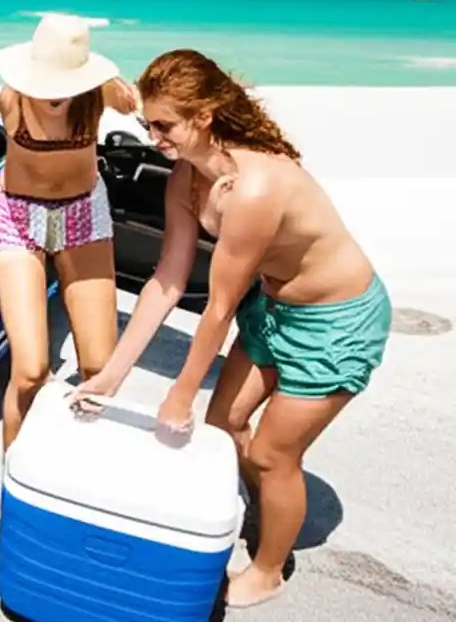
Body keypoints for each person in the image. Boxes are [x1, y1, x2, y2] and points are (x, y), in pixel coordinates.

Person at [70, 49, 393, 609]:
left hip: (336, 323)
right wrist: (112, 376)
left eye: (164, 124)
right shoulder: (186, 179)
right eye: (147, 123)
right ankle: (264, 506)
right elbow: (166, 282)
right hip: (274, 311)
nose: (153, 134)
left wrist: (179, 395)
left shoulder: (256, 189)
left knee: (271, 454)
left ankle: (270, 567)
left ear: (205, 116)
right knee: (225, 425)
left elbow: (217, 309)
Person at [0, 13, 138, 451]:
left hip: (83, 213)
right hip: (17, 215)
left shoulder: (97, 94)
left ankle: (81, 470)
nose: (53, 95)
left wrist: (122, 89)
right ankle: (15, 474)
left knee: (98, 368)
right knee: (31, 370)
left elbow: (133, 103)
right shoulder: (10, 100)